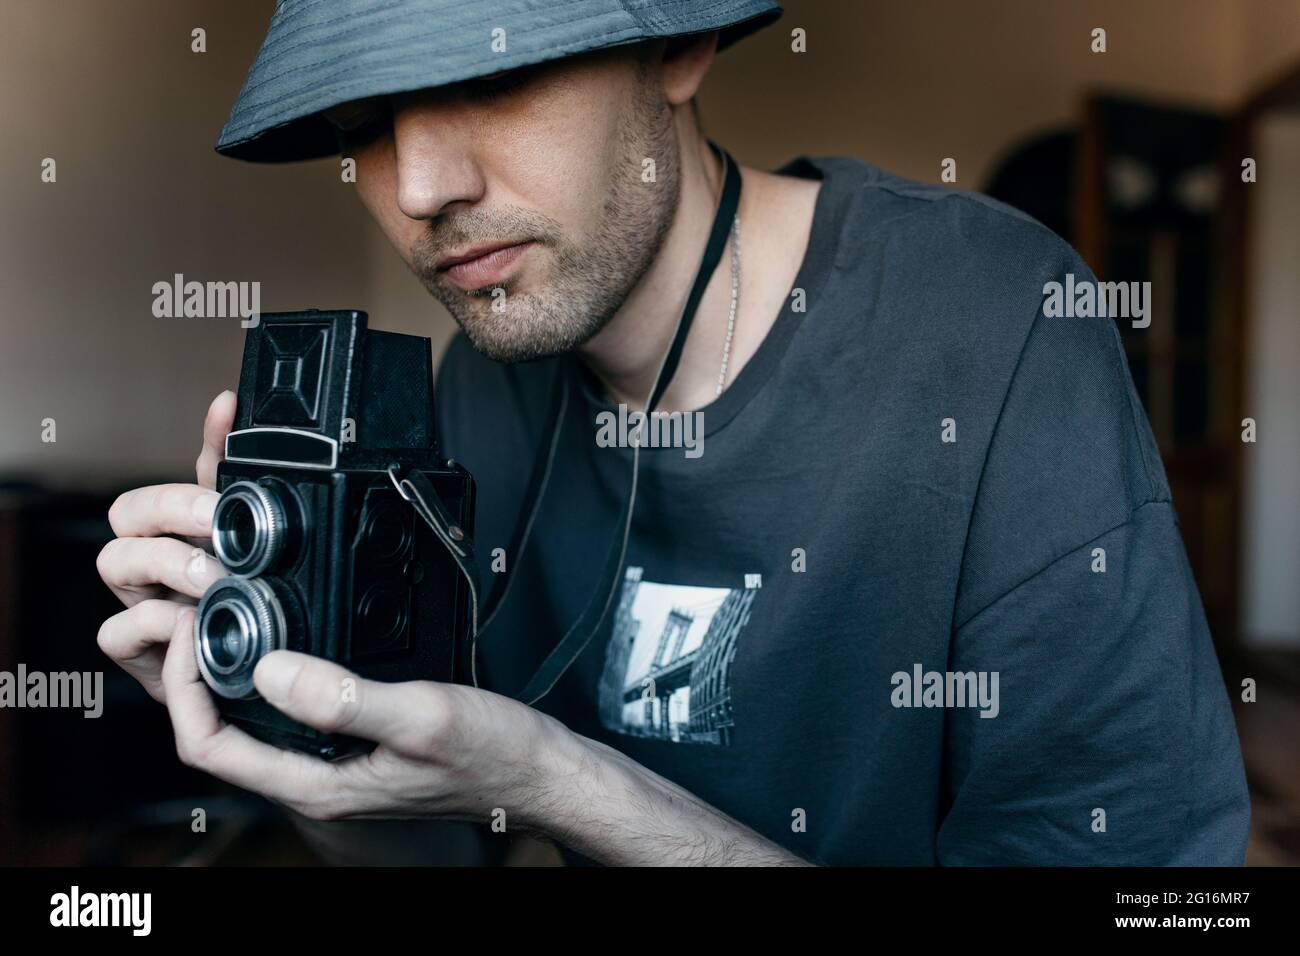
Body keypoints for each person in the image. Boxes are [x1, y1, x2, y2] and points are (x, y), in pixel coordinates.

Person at [95, 0, 1249, 865]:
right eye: (366, 123)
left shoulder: (992, 319)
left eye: (492, 78)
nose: (418, 188)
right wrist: (293, 717)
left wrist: (558, 778)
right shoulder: (474, 389)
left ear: (679, 50)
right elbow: (433, 848)